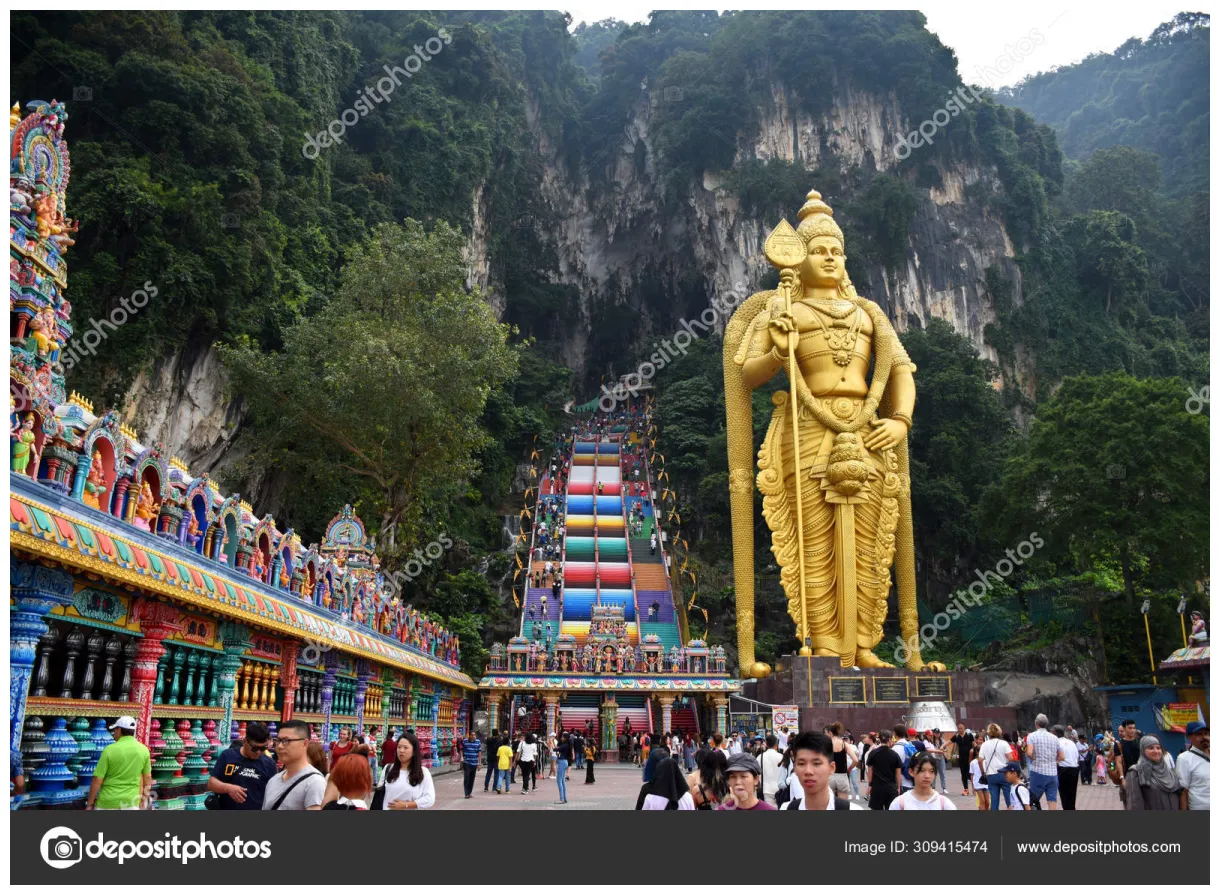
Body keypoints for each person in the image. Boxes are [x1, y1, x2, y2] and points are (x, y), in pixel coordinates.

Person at [85, 716, 151, 810]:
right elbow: (147, 778)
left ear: (119, 730)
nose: (114, 733)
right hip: (131, 803)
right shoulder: (143, 750)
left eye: (115, 730)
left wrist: (90, 803)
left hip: (108, 803)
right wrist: (144, 799)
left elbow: (97, 779)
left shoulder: (109, 750)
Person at [207, 720, 276, 810]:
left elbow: (273, 794)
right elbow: (211, 784)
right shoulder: (228, 756)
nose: (259, 752)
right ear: (244, 741)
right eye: (255, 748)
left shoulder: (269, 764)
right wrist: (228, 788)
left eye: (263, 748)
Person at [785, 732, 861, 810]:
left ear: (831, 768)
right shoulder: (786, 808)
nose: (808, 771)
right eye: (801, 763)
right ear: (795, 768)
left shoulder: (852, 809)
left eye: (816, 763)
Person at [263, 720, 325, 811]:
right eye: (278, 740)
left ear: (305, 743)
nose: (280, 746)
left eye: (286, 741)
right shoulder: (273, 780)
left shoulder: (314, 782)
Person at [379, 732, 435, 809]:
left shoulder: (423, 772)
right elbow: (379, 793)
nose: (401, 750)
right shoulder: (388, 769)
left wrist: (406, 805)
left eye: (405, 747)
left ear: (414, 751)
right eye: (399, 747)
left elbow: (429, 799)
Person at [1125, 736, 1181, 811]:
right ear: (1143, 751)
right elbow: (1134, 804)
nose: (1156, 751)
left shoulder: (1168, 771)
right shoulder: (1136, 772)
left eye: (1158, 748)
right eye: (1151, 748)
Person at [890, 752, 957, 810]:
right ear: (911, 771)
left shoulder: (944, 804)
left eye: (931, 771)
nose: (927, 776)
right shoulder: (900, 804)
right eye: (922, 770)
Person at [1025, 713, 1063, 809]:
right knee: (1052, 800)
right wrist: (1054, 762)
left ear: (1036, 723)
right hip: (1053, 773)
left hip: (1037, 772)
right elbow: (1062, 756)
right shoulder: (1054, 738)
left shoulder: (1032, 736)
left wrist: (1034, 759)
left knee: (1033, 799)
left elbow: (1029, 753)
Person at [865, 729, 903, 810]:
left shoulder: (873, 753)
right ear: (889, 739)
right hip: (891, 788)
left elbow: (870, 771)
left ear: (880, 739)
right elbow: (898, 773)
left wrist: (869, 785)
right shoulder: (895, 755)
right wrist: (898, 787)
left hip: (877, 788)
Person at [1176, 721, 1209, 811]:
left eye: (1206, 733)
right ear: (1189, 737)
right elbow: (1183, 791)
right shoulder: (1184, 759)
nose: (1205, 737)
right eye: (1199, 734)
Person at [980, 723, 1013, 810]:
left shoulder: (984, 744)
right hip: (1004, 774)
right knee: (1009, 799)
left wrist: (983, 771)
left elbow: (980, 760)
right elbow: (1010, 758)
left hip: (991, 774)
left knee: (994, 801)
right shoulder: (1004, 743)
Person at [1113, 718, 1142, 807]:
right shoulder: (1119, 744)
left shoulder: (1140, 741)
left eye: (1134, 728)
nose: (1132, 730)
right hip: (1127, 776)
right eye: (1130, 728)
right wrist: (1122, 779)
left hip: (1140, 776)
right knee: (1127, 802)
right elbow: (1118, 762)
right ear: (1124, 729)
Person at [1054, 725, 1079, 810]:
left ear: (1054, 733)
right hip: (1074, 769)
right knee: (1072, 795)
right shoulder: (1071, 742)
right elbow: (1076, 756)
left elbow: (1056, 757)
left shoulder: (1056, 743)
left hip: (1063, 770)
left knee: (1064, 795)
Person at [950, 722, 975, 796]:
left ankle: (975, 788)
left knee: (971, 774)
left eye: (961, 728)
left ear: (964, 728)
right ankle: (966, 789)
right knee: (963, 774)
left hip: (970, 758)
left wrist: (974, 749)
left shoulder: (969, 735)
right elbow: (949, 742)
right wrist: (942, 746)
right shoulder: (957, 736)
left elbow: (974, 744)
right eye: (959, 728)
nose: (960, 729)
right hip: (962, 758)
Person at [760, 734, 784, 805]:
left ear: (766, 744)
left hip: (766, 789)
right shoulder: (781, 757)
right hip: (780, 789)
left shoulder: (760, 757)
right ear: (776, 744)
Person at [459, 729, 482, 799]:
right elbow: (461, 749)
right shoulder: (465, 741)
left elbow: (479, 753)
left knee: (472, 779)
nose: (473, 736)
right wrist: (462, 757)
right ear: (469, 735)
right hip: (467, 762)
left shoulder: (478, 742)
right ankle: (466, 793)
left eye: (474, 735)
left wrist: (479, 763)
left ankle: (469, 792)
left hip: (474, 763)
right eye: (472, 735)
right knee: (466, 778)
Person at [554, 731, 574, 804]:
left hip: (562, 762)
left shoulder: (565, 745)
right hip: (565, 761)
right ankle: (564, 798)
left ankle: (562, 798)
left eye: (562, 737)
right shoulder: (567, 744)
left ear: (565, 738)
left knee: (559, 780)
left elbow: (555, 749)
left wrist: (551, 742)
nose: (561, 738)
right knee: (562, 781)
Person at [971, 738, 990, 811]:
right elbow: (972, 775)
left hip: (986, 783)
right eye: (978, 751)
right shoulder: (973, 762)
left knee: (987, 802)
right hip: (978, 783)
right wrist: (972, 787)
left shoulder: (986, 761)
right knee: (982, 801)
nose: (979, 752)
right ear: (976, 752)